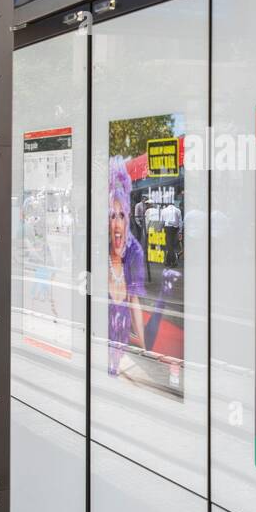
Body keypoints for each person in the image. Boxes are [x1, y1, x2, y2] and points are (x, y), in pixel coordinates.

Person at [108, 157, 146, 376]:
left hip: (119, 337)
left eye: (121, 215)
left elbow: (134, 301)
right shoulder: (99, 248)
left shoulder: (134, 252)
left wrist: (144, 348)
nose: (116, 222)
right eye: (112, 215)